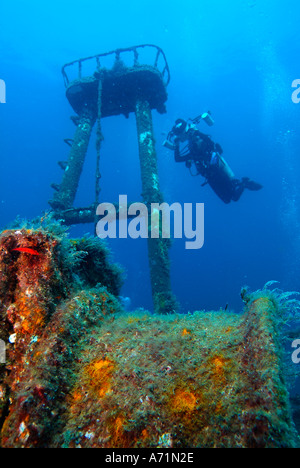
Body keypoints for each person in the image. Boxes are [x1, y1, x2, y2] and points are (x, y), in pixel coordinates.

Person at [163, 114, 263, 204]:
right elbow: (179, 158)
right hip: (210, 176)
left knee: (233, 197)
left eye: (179, 136)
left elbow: (211, 148)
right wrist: (178, 147)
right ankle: (241, 183)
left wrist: (178, 145)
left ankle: (244, 183)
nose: (179, 138)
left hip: (216, 172)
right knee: (227, 199)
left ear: (183, 132)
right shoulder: (192, 143)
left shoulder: (197, 138)